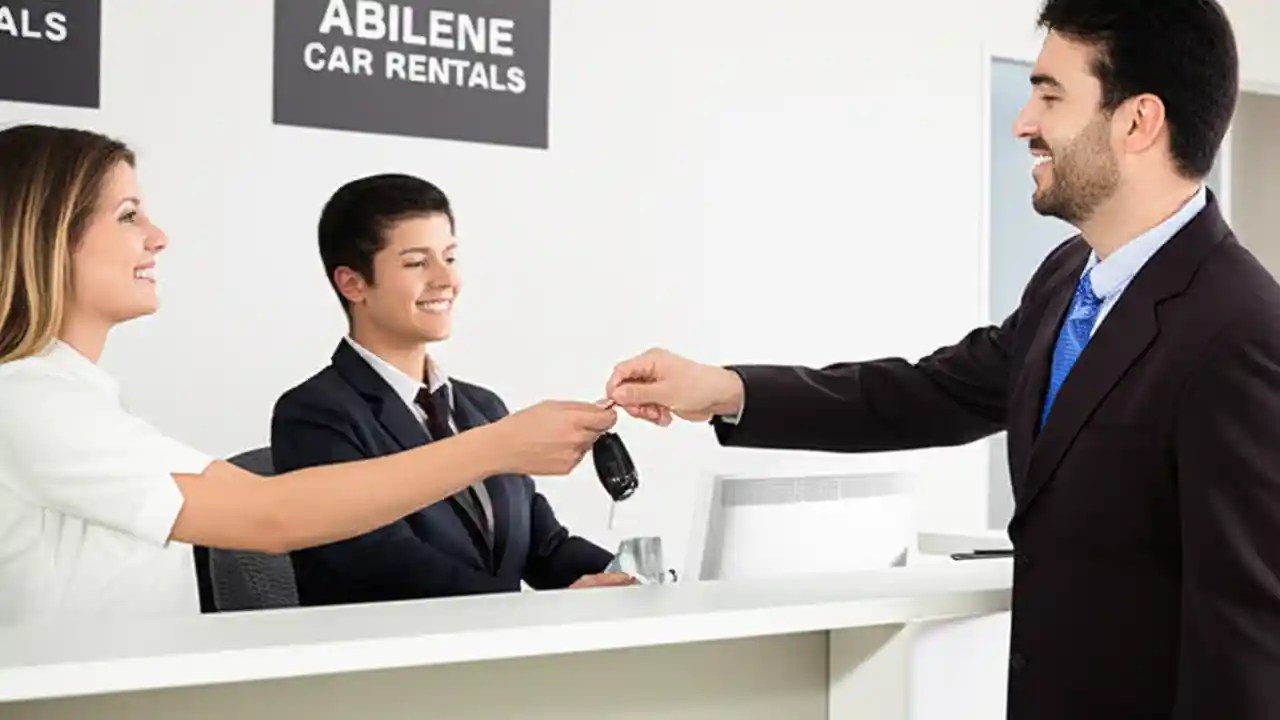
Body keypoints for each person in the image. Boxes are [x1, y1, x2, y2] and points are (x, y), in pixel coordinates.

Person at [605, 1, 1280, 718]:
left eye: (1050, 95)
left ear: (1139, 121)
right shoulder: (1067, 278)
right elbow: (928, 393)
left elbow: (1245, 645)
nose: (1024, 122)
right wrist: (725, 390)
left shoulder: (1239, 334)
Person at [0, 124, 619, 626]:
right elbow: (271, 516)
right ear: (50, 232)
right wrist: (496, 448)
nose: (158, 237)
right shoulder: (30, 402)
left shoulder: (74, 401)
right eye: (129, 215)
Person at [270, 174, 630, 606]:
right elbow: (382, 569)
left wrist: (629, 581)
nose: (446, 280)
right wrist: (531, 611)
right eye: (417, 262)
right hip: (396, 664)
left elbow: (544, 547)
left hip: (498, 658)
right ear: (353, 283)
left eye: (450, 257)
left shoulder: (482, 408)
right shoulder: (314, 414)